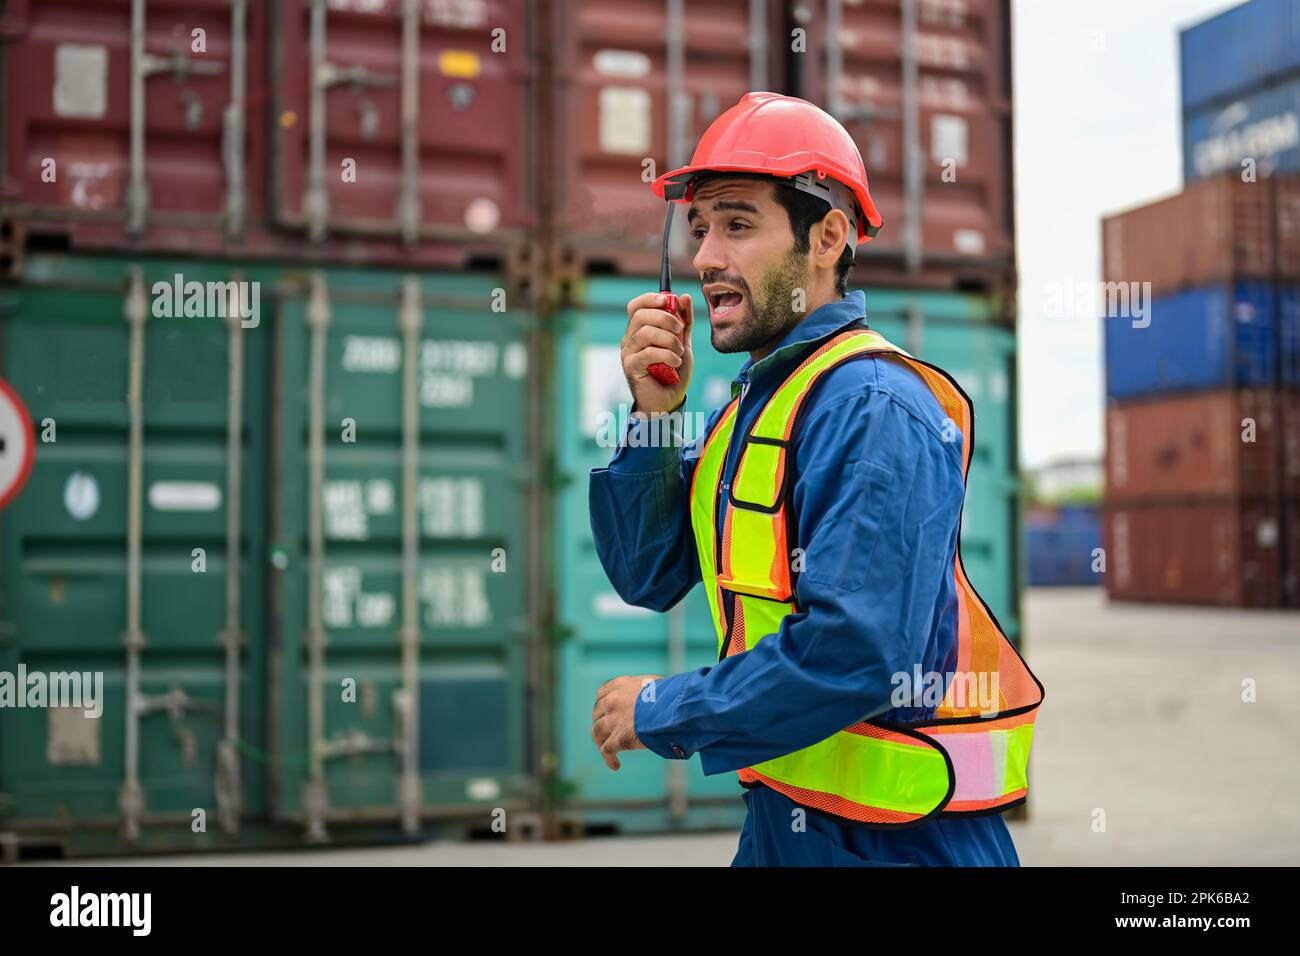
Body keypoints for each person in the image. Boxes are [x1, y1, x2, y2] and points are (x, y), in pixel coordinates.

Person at [588, 93, 1042, 867]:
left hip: (902, 844)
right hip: (790, 824)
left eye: (738, 224)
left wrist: (666, 707)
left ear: (828, 237)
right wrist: (656, 415)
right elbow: (648, 574)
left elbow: (855, 652)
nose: (705, 259)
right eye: (699, 230)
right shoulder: (758, 411)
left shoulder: (870, 408)